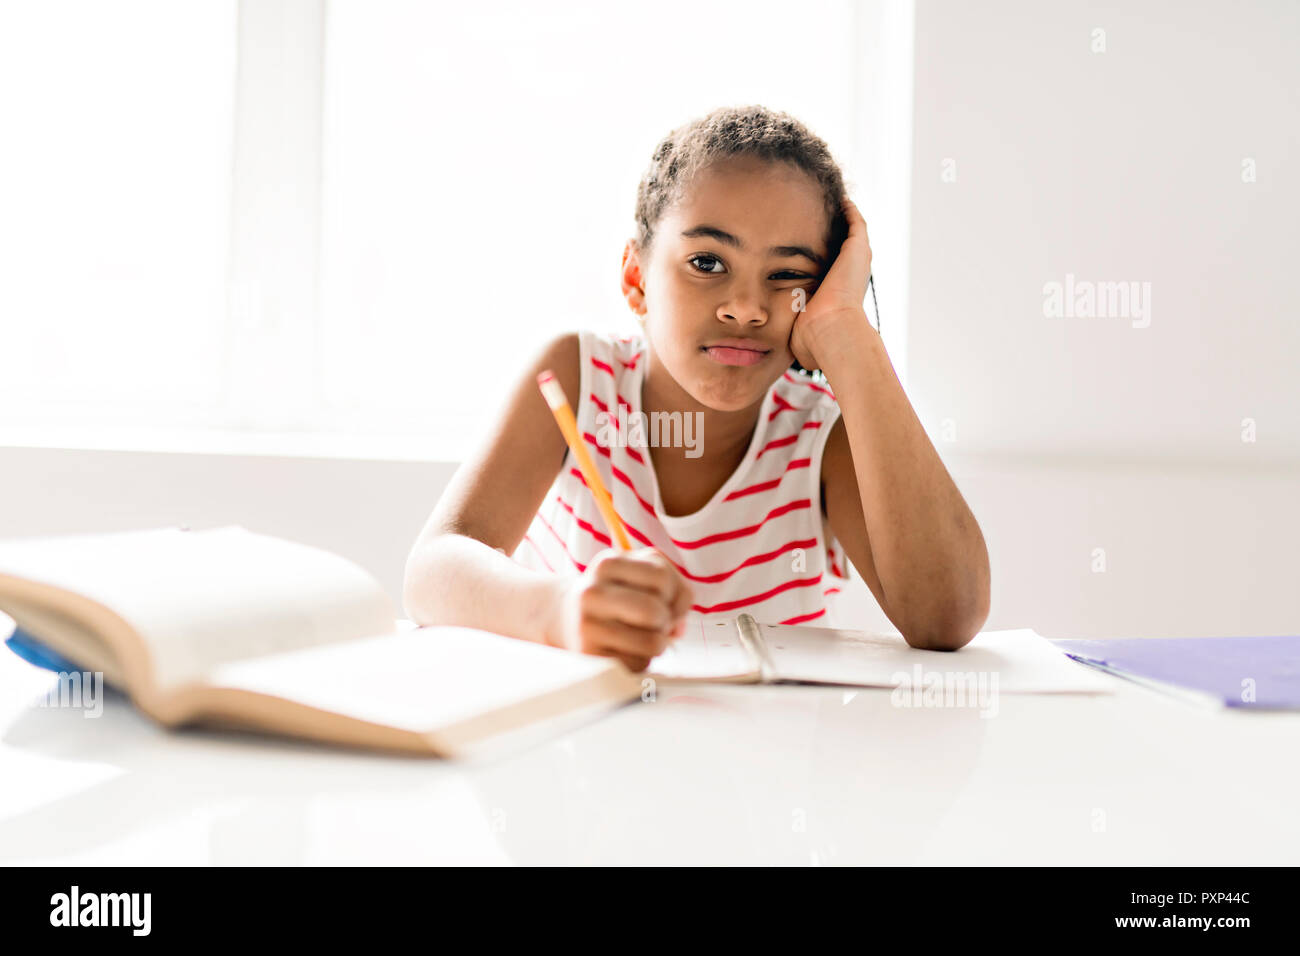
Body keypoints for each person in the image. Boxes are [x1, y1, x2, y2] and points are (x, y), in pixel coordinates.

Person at [404, 105, 990, 671]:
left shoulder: (822, 437)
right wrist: (559, 610)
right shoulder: (577, 379)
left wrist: (847, 333)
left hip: (766, 763)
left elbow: (946, 619)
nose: (746, 308)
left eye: (787, 275)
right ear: (637, 279)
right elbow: (432, 572)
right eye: (708, 263)